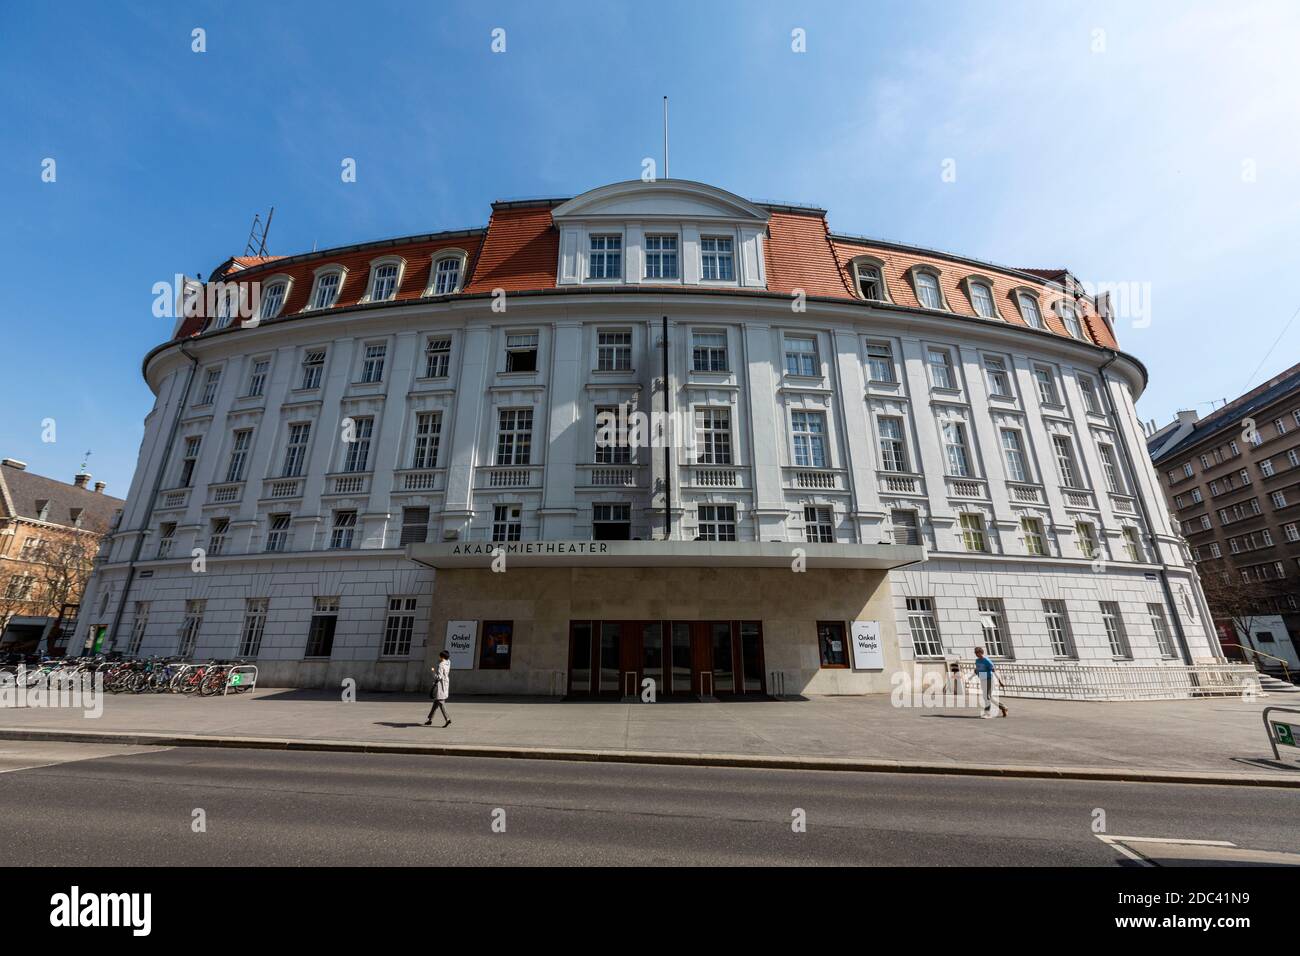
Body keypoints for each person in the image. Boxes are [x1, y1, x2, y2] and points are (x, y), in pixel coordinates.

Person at [973, 647, 1008, 718]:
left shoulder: (986, 660)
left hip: (989, 679)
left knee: (987, 696)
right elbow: (977, 668)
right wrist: (976, 671)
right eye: (975, 652)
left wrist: (1000, 681)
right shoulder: (977, 661)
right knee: (989, 697)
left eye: (977, 652)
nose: (976, 654)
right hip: (982, 679)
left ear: (981, 652)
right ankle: (1003, 707)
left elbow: (994, 670)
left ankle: (987, 713)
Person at [425, 651, 451, 727]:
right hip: (445, 683)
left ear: (442, 657)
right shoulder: (448, 662)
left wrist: (433, 671)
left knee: (441, 702)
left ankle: (448, 719)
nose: (439, 657)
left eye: (440, 656)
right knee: (435, 703)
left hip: (440, 685)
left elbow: (438, 677)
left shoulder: (441, 665)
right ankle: (430, 719)